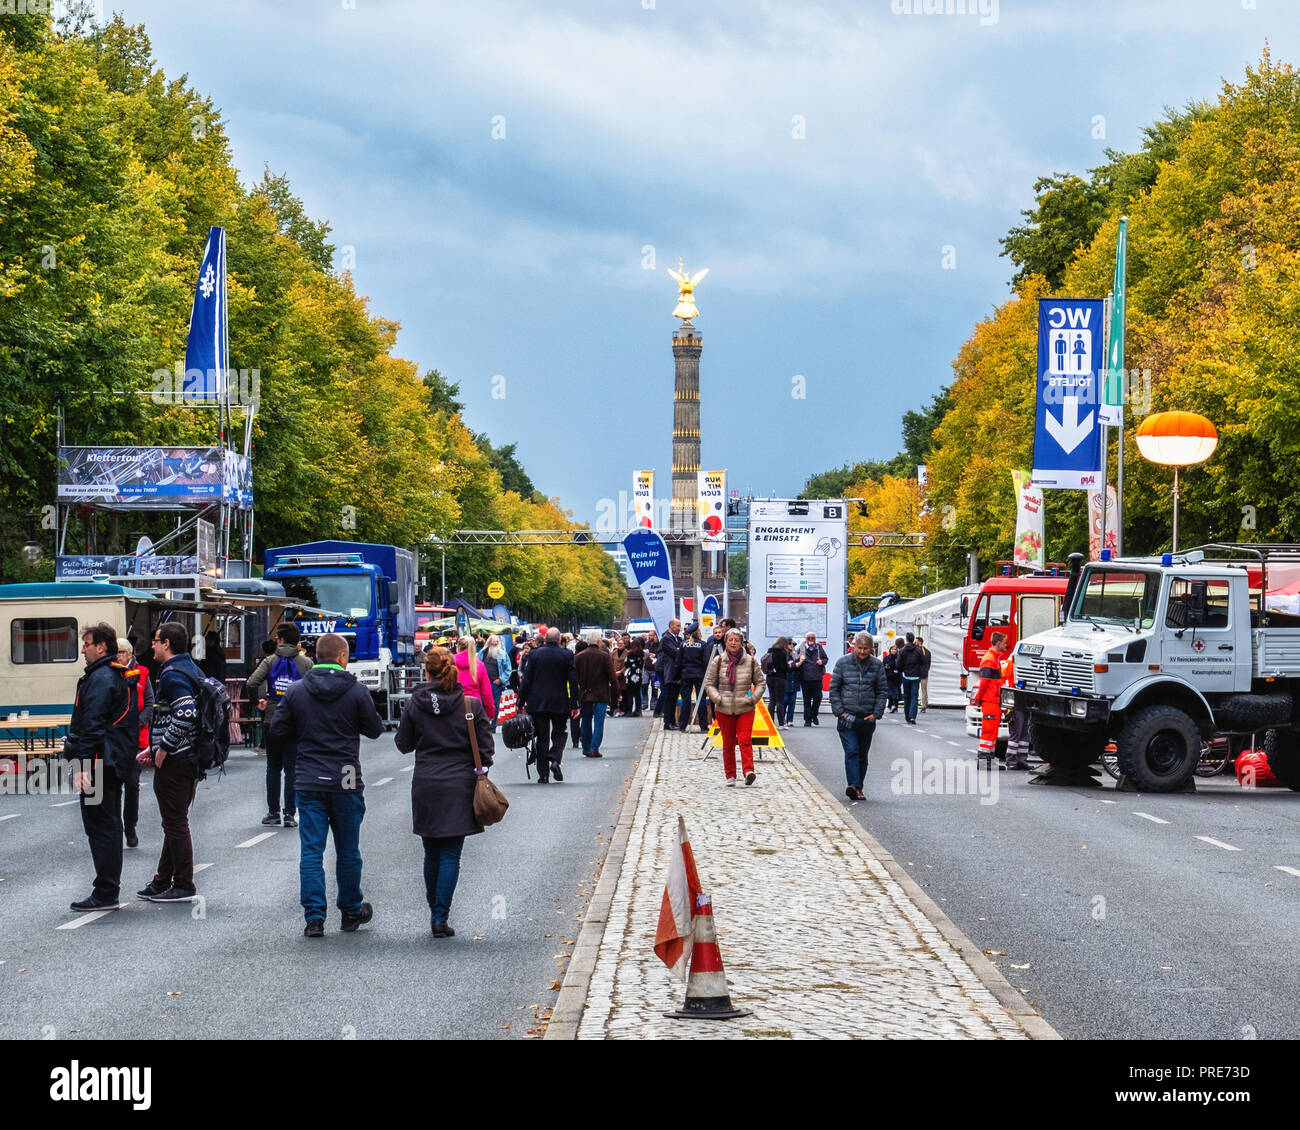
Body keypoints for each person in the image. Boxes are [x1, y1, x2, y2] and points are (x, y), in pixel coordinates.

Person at [271, 632, 384, 937]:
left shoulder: (296, 692)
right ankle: (351, 910)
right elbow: (375, 730)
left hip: (308, 776)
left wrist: (305, 733)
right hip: (346, 775)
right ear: (343, 658)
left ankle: (314, 919)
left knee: (311, 850)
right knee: (348, 850)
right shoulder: (357, 691)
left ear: (317, 656)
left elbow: (277, 730)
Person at [393, 646, 493, 938]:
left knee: (430, 851)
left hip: (426, 782)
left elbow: (403, 744)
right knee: (451, 853)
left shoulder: (415, 702)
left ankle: (433, 906)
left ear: (426, 671)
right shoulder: (469, 705)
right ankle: (440, 915)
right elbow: (486, 750)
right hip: (459, 783)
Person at [62, 622, 137, 911]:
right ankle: (107, 889)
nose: (83, 649)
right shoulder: (111, 675)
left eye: (87, 644)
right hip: (109, 761)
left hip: (98, 765)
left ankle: (106, 892)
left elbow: (91, 726)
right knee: (108, 825)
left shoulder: (102, 678)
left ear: (102, 647)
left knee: (101, 826)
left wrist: (81, 766)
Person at [139, 621, 206, 904]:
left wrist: (164, 748)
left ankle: (184, 885)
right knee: (174, 821)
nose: (152, 645)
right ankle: (162, 880)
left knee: (176, 823)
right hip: (189, 756)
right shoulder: (189, 667)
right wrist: (152, 748)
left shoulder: (172, 674)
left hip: (177, 760)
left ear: (166, 643)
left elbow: (186, 713)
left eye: (155, 640)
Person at [246, 624, 313, 827]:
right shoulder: (306, 663)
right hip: (296, 721)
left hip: (272, 720)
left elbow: (251, 683)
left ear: (281, 640)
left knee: (273, 767)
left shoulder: (269, 661)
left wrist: (256, 702)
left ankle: (273, 812)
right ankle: (290, 814)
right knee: (292, 768)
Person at [829, 632, 889, 801]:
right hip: (847, 717)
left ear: (871, 648)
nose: (862, 652)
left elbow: (882, 691)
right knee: (852, 751)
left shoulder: (877, 665)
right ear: (854, 646)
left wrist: (876, 714)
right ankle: (853, 785)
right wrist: (840, 712)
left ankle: (858, 786)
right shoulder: (842, 663)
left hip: (867, 717)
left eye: (866, 649)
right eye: (860, 648)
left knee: (862, 754)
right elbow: (834, 689)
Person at [703, 629, 766, 787]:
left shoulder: (750, 662)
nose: (733, 643)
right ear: (726, 642)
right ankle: (730, 774)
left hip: (745, 707)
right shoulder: (718, 661)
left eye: (736, 640)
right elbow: (709, 683)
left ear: (741, 642)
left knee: (745, 740)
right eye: (730, 640)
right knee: (728, 743)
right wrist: (717, 698)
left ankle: (748, 771)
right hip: (724, 708)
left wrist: (753, 699)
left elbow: (761, 683)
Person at [519, 627, 579, 783]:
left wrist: (520, 701)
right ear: (559, 639)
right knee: (560, 732)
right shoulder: (566, 654)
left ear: (545, 639)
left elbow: (526, 680)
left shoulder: (534, 654)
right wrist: (575, 704)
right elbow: (573, 682)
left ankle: (543, 774)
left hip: (538, 702)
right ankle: (555, 757)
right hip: (559, 701)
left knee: (542, 738)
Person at [115, 641, 153, 849]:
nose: (118, 656)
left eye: (121, 652)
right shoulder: (110, 673)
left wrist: (139, 722)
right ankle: (116, 827)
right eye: (116, 653)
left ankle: (130, 825)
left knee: (132, 783)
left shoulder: (142, 673)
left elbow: (149, 703)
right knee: (114, 785)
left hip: (137, 738)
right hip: (115, 738)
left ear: (129, 654)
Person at [575, 629, 618, 757]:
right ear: (599, 641)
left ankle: (586, 747)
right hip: (601, 694)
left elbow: (574, 677)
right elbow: (612, 676)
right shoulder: (604, 656)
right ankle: (594, 748)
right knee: (599, 721)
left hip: (584, 693)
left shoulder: (578, 657)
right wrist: (617, 692)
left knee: (586, 720)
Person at [975, 632, 1012, 769]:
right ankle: (984, 762)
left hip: (993, 700)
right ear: (998, 643)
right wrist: (979, 699)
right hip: (990, 700)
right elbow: (983, 683)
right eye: (1004, 642)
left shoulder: (994, 659)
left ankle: (989, 761)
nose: (1005, 645)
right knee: (989, 732)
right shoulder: (990, 660)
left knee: (992, 732)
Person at [454, 636, 496, 723]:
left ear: (457, 647)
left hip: (454, 704)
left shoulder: (449, 663)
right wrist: (490, 713)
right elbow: (487, 693)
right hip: (474, 707)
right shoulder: (479, 665)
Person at [794, 632, 828, 726]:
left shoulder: (819, 647)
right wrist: (800, 662)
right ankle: (807, 720)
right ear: (805, 639)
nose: (810, 639)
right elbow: (794, 660)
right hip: (805, 678)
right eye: (809, 637)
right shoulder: (801, 648)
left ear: (815, 638)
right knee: (807, 700)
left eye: (812, 637)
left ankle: (814, 714)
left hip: (817, 678)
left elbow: (826, 658)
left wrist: (822, 662)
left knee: (818, 698)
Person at [655, 618, 683, 730]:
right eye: (677, 626)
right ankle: (668, 722)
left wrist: (679, 650)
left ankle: (672, 721)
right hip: (668, 672)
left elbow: (679, 651)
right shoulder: (666, 638)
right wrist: (679, 650)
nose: (679, 628)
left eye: (680, 626)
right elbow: (675, 652)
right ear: (671, 625)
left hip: (676, 672)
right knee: (668, 697)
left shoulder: (678, 639)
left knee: (674, 698)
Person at [676, 629, 706, 731]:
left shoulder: (683, 644)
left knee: (686, 700)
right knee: (701, 700)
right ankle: (704, 725)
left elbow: (678, 661)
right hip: (699, 674)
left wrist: (677, 676)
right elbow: (705, 661)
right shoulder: (703, 644)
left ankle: (683, 725)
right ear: (698, 633)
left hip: (686, 674)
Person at [762, 637, 790, 729]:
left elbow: (770, 666)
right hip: (780, 678)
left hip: (770, 678)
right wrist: (788, 665)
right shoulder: (782, 653)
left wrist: (773, 670)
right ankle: (781, 724)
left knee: (772, 700)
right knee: (780, 702)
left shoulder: (770, 651)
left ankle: (771, 723)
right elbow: (783, 668)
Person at [483, 635, 511, 728]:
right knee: (483, 704)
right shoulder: (482, 653)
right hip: (483, 683)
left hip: (495, 684)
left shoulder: (503, 654)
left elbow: (508, 669)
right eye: (493, 642)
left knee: (495, 704)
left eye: (497, 642)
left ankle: (493, 725)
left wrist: (501, 680)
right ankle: (484, 724)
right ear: (489, 642)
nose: (495, 643)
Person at [898, 631, 925, 724]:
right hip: (916, 676)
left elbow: (899, 664)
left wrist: (902, 670)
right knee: (914, 696)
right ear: (913, 639)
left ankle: (907, 716)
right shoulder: (918, 650)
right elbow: (923, 663)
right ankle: (912, 716)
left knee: (906, 697)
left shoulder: (902, 650)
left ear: (906, 639)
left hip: (906, 675)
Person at [623, 637, 645, 716]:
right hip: (638, 674)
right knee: (637, 694)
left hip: (631, 674)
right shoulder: (642, 654)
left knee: (630, 694)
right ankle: (638, 710)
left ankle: (629, 711)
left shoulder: (629, 654)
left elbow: (626, 664)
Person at [883, 640, 903, 712]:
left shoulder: (899, 658)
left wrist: (897, 670)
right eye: (892, 649)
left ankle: (895, 705)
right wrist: (886, 667)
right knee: (890, 692)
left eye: (895, 649)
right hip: (889, 677)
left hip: (897, 677)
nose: (894, 651)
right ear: (890, 650)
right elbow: (883, 666)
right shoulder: (887, 658)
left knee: (896, 691)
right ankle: (890, 705)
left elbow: (901, 667)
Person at [917, 635, 932, 713]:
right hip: (924, 672)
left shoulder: (916, 651)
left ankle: (922, 705)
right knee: (924, 690)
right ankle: (924, 705)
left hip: (916, 673)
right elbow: (928, 664)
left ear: (919, 642)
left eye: (915, 641)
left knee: (916, 689)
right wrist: (926, 670)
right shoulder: (927, 652)